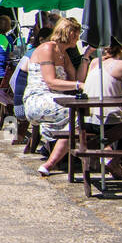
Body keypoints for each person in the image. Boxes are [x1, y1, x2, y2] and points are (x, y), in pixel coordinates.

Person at [24, 17, 84, 177]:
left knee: (82, 116)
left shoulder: (63, 53)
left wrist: (86, 57)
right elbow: (51, 82)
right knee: (80, 116)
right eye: (77, 35)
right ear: (70, 33)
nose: (78, 39)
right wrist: (79, 85)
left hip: (56, 99)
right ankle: (53, 161)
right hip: (38, 99)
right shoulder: (47, 49)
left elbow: (75, 78)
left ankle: (52, 160)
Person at [82, 43, 122, 180]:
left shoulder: (95, 63)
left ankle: (119, 162)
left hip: (87, 118)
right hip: (106, 121)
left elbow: (107, 92)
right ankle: (115, 161)